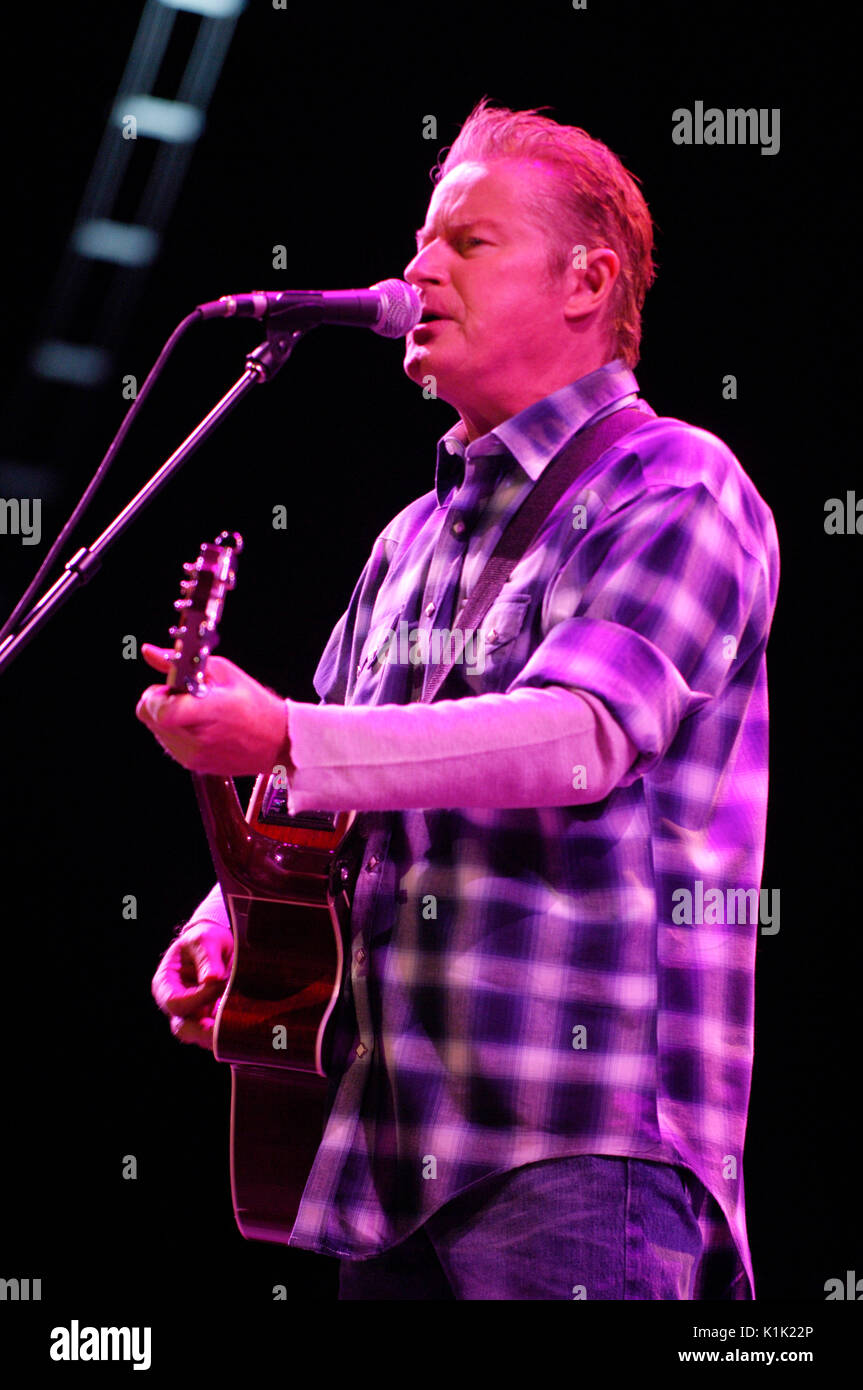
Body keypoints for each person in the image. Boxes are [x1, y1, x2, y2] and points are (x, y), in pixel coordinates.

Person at [137, 98, 779, 1300]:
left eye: (467, 243)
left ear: (586, 281)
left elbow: (582, 736)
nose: (417, 267)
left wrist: (279, 729)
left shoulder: (675, 482)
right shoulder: (410, 541)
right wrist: (225, 919)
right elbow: (314, 795)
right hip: (382, 1157)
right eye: (421, 241)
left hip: (578, 1142)